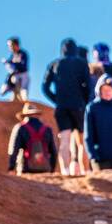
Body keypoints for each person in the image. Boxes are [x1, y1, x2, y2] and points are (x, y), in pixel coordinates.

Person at [41, 37, 92, 176]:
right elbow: (89, 86)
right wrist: (85, 101)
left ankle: (65, 170)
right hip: (78, 106)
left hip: (61, 106)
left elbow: (44, 87)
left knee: (64, 139)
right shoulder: (81, 64)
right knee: (80, 141)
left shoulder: (54, 64)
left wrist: (56, 100)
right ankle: (84, 170)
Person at [7, 103, 57, 174]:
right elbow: (54, 152)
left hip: (26, 169)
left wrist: (11, 168)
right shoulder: (47, 129)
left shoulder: (20, 128)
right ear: (37, 115)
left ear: (25, 116)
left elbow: (14, 149)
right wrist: (52, 170)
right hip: (45, 169)